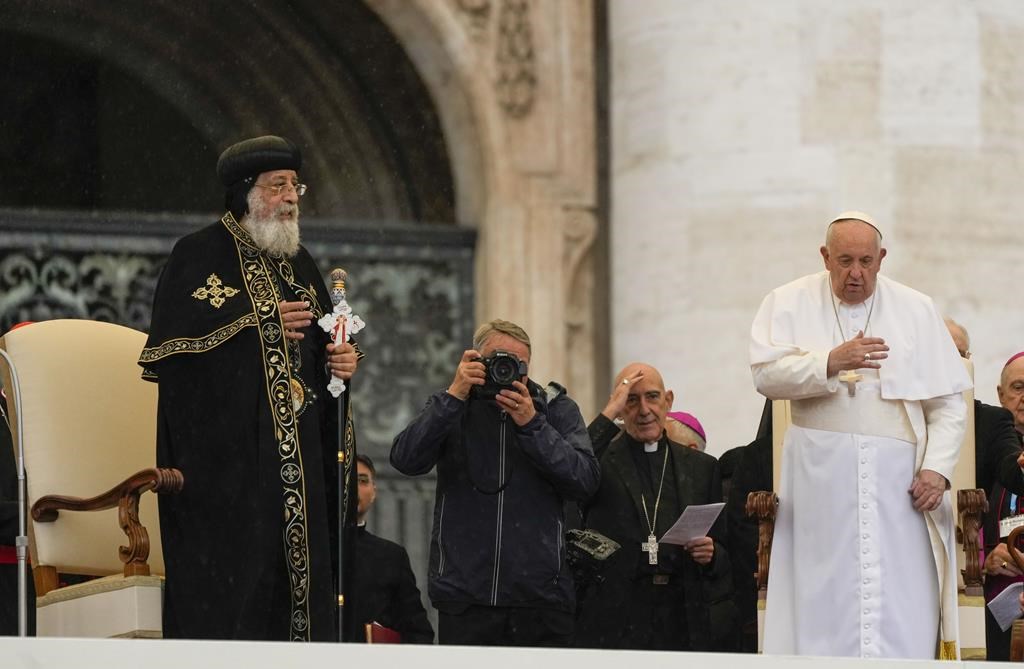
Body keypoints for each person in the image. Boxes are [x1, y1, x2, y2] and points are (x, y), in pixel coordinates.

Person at [138, 135, 360, 641]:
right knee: (239, 607)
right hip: (230, 479)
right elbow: (170, 359)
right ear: (244, 193)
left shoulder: (300, 264)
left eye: (295, 186)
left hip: (299, 476)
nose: (291, 198)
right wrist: (255, 325)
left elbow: (326, 348)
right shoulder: (197, 255)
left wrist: (341, 363)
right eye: (278, 186)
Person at [749, 211, 972, 659]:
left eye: (866, 262)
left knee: (898, 596)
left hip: (899, 487)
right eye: (845, 260)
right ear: (824, 256)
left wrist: (936, 469)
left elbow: (948, 403)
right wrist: (828, 362)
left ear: (882, 258)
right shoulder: (787, 301)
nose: (856, 273)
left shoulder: (916, 308)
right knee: (820, 595)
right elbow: (765, 376)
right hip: (818, 481)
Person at [390, 319, 599, 646]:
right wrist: (454, 395)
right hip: (466, 596)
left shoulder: (555, 411)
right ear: (474, 360)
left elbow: (585, 481)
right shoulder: (452, 406)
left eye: (517, 365)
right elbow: (405, 459)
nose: (506, 371)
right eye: (497, 360)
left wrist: (533, 426)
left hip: (539, 598)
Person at [575, 363, 737, 651]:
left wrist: (711, 554)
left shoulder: (702, 468)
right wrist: (607, 415)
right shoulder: (597, 463)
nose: (644, 409)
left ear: (668, 400)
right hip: (615, 617)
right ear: (619, 407)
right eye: (631, 400)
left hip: (682, 616)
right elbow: (570, 470)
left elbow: (725, 553)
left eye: (652, 396)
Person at [351, 455, 433, 643]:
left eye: (362, 481)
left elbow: (418, 632)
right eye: (345, 479)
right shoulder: (308, 551)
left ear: (373, 492)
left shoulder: (391, 557)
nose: (353, 487)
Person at [978, 350, 1024, 660]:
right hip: (995, 595)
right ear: (1000, 394)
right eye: (1018, 387)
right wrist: (985, 559)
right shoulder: (982, 446)